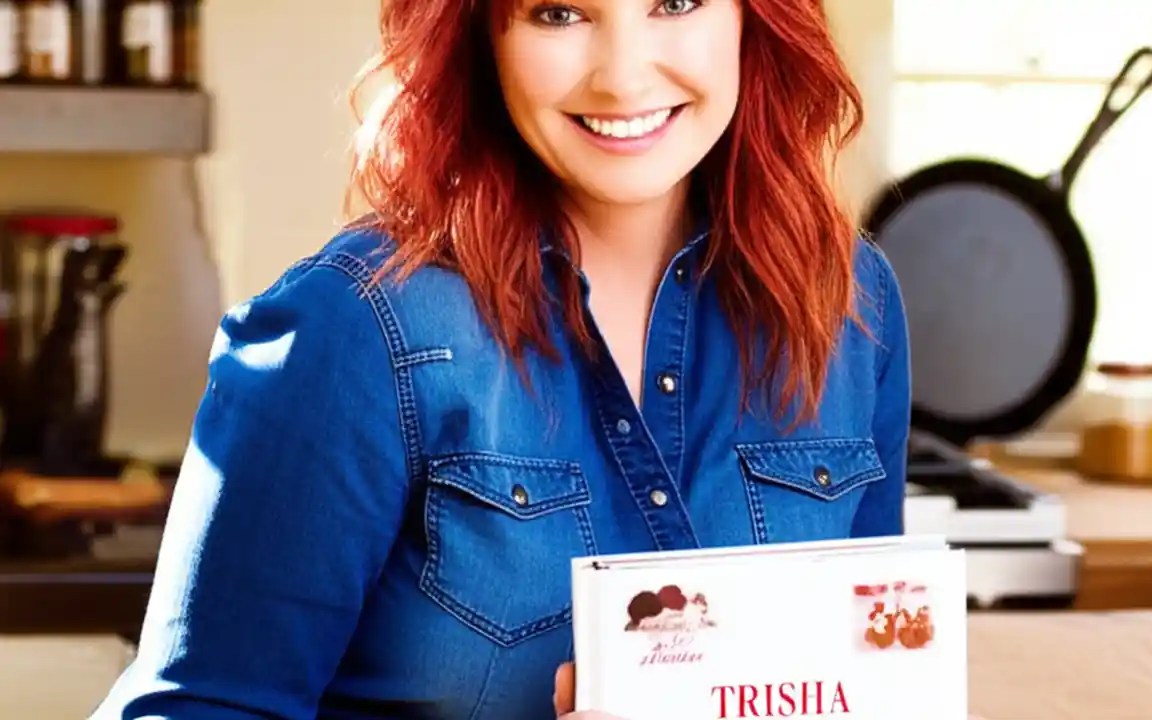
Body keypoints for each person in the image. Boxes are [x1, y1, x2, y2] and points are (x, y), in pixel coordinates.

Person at [90, 0, 909, 717]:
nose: (623, 79)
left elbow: (878, 677)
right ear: (479, 29)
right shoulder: (351, 329)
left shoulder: (849, 304)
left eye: (678, 1)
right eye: (558, 13)